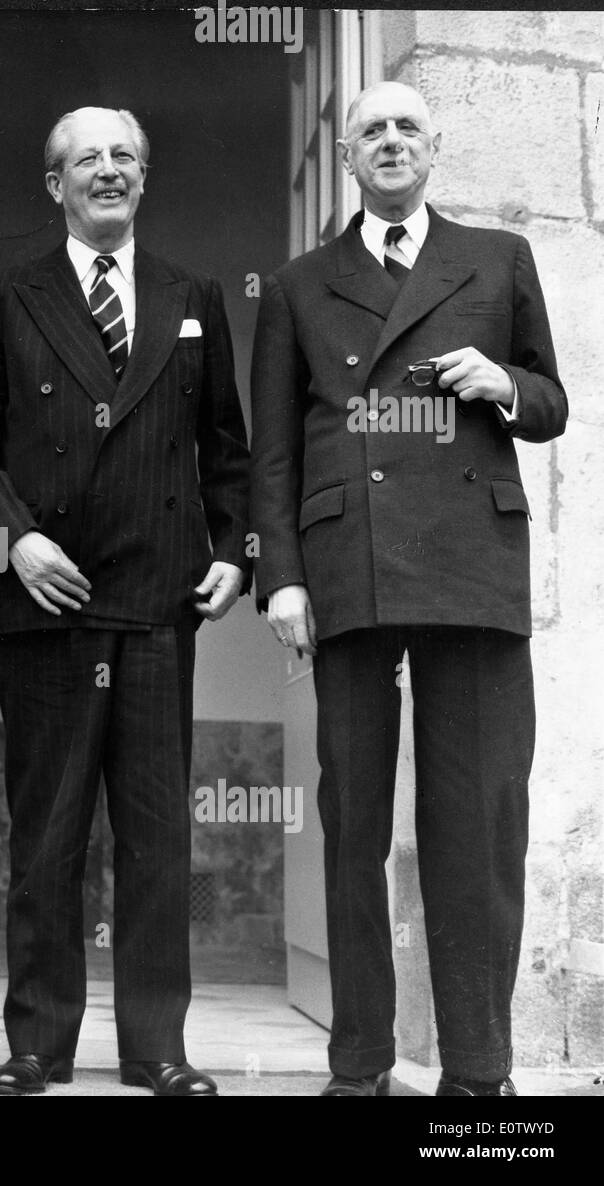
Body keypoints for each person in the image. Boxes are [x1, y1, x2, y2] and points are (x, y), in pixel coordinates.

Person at [249, 82, 568, 1097]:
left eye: (406, 130)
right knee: (351, 829)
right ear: (347, 158)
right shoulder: (300, 283)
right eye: (371, 132)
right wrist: (281, 581)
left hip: (470, 562)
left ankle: (478, 1073)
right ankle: (358, 1066)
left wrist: (501, 384)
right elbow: (272, 452)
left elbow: (550, 402)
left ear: (433, 151)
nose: (389, 143)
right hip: (349, 564)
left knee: (478, 824)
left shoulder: (496, 258)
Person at [0, 106, 250, 1096]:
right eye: (86, 159)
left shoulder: (192, 295)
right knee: (47, 834)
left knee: (157, 836)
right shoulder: (3, 297)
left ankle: (156, 1048)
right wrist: (17, 538)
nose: (107, 171)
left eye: (124, 157)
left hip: (158, 601)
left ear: (144, 177)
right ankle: (37, 1044)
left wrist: (235, 553)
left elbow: (227, 450)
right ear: (53, 184)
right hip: (49, 598)